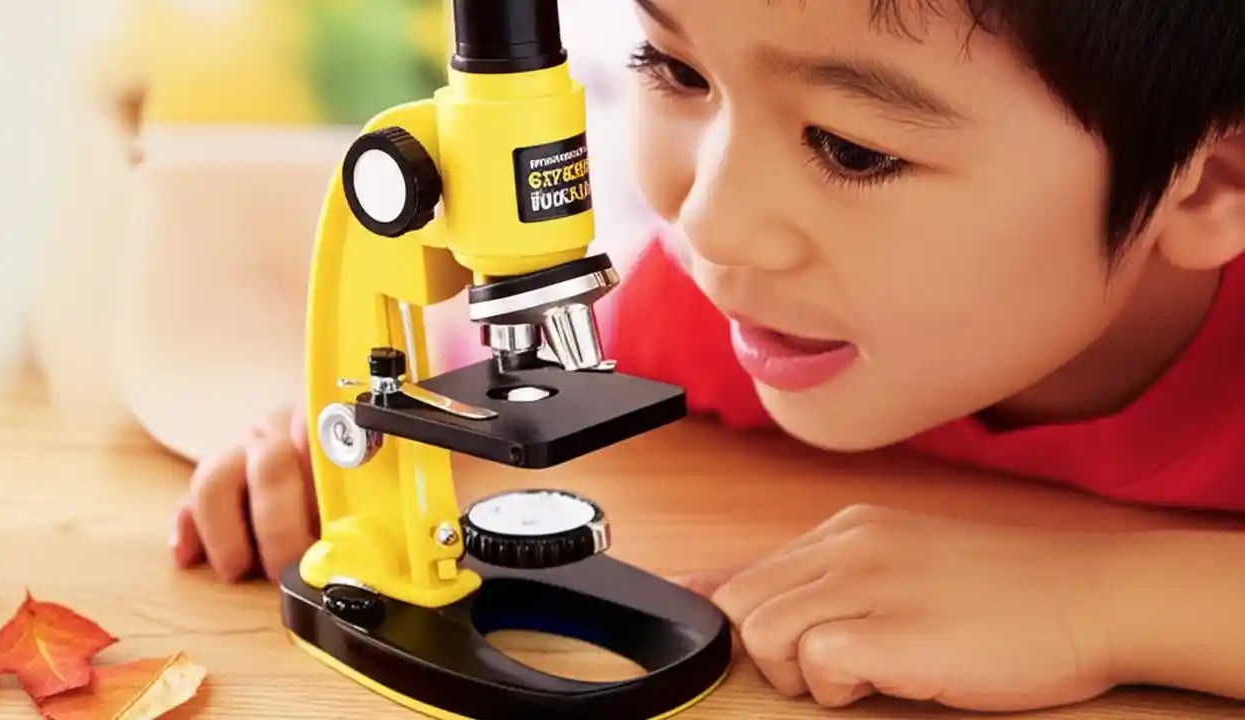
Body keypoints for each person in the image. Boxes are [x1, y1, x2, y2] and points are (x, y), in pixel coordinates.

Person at [169, 0, 1245, 712]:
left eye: (851, 147)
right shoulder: (723, 314)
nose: (711, 228)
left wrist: (1097, 604)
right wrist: (332, 433)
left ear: (1206, 188)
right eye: (672, 66)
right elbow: (450, 367)